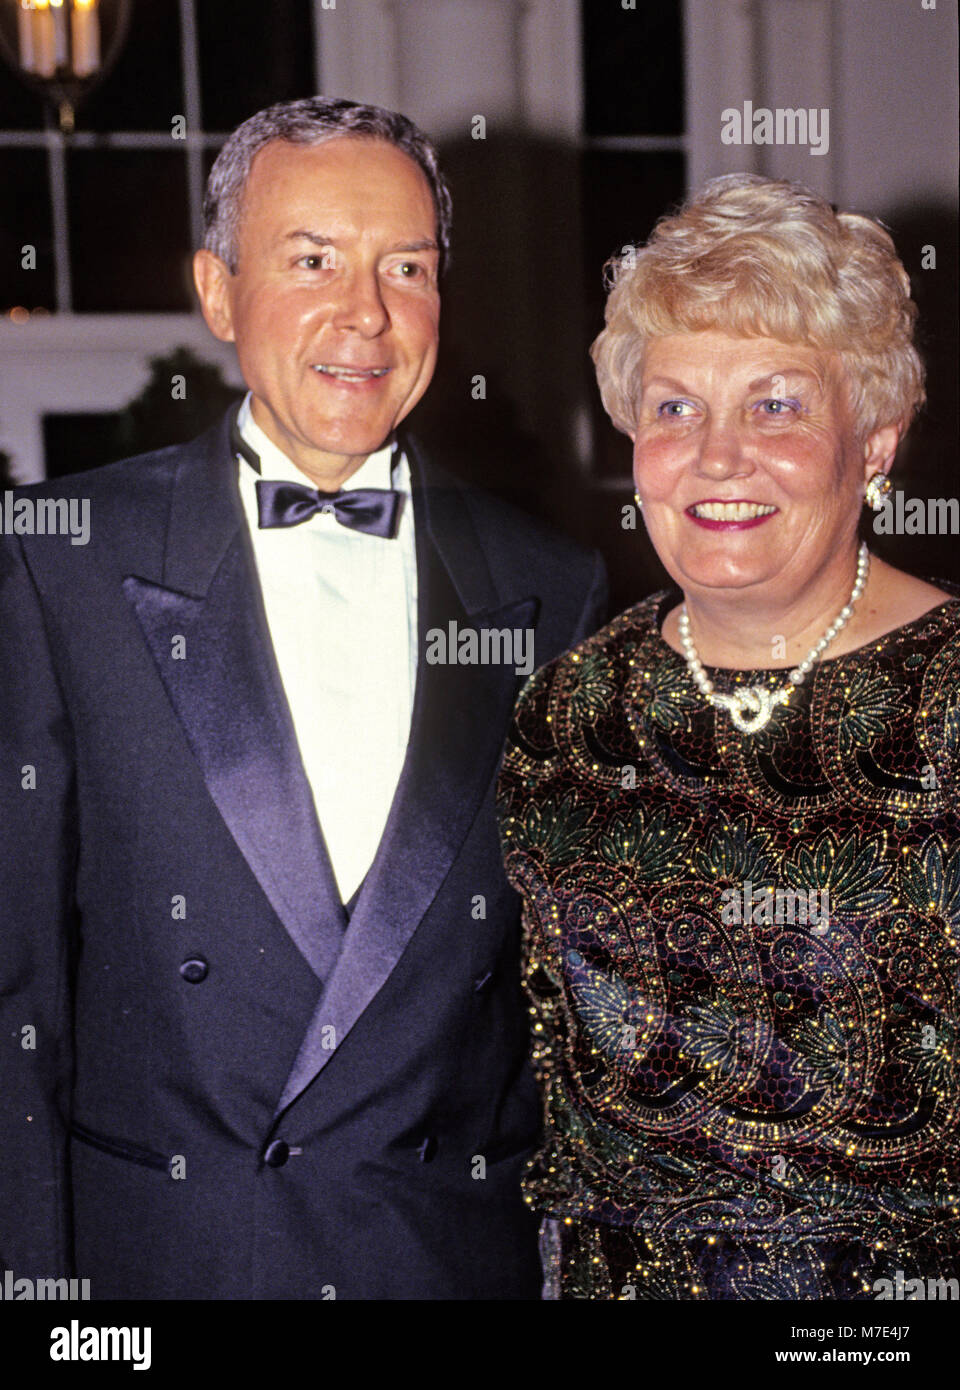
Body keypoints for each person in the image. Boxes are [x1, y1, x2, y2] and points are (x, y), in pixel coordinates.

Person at [0, 97, 607, 1300]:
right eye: (312, 260)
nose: (365, 315)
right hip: (159, 1276)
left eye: (406, 268)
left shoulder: (553, 585)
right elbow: (16, 993)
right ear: (219, 291)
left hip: (438, 1266)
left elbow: (565, 1020)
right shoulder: (57, 555)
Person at [496, 174, 960, 1300]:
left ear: (879, 437)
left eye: (776, 404)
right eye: (674, 407)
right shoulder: (569, 713)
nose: (715, 455)